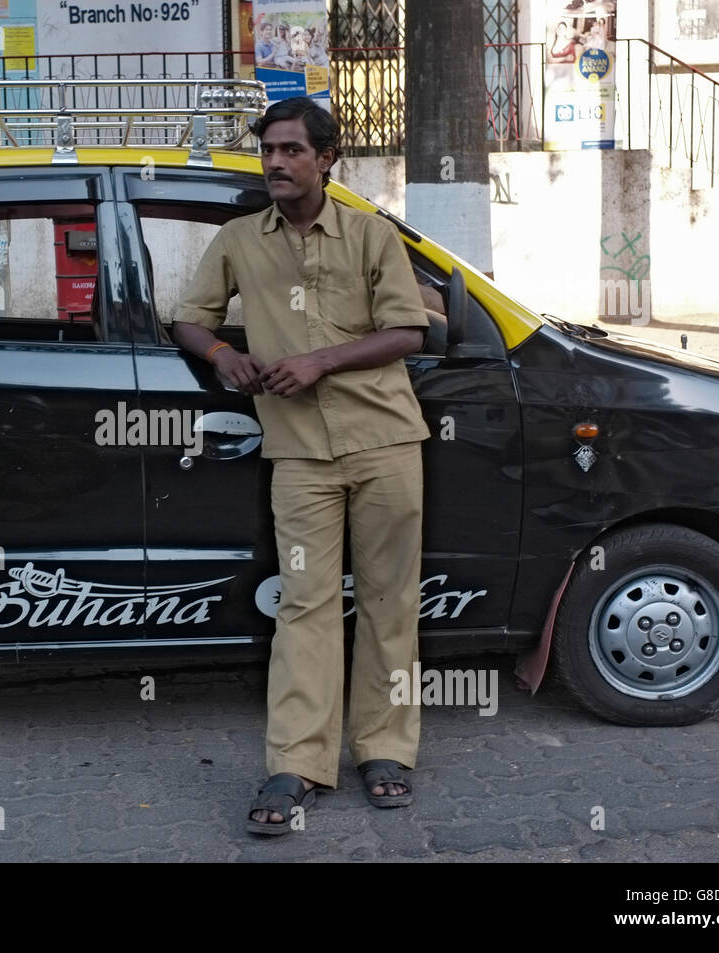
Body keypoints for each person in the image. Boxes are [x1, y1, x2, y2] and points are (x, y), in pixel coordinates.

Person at [172, 98, 429, 834]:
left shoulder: (371, 234)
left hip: (386, 443)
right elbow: (189, 317)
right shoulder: (238, 240)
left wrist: (322, 360)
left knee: (390, 604)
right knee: (304, 606)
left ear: (326, 159)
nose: (276, 163)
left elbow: (408, 330)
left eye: (291, 150)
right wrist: (221, 354)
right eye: (269, 152)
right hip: (299, 456)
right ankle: (297, 761)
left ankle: (385, 750)